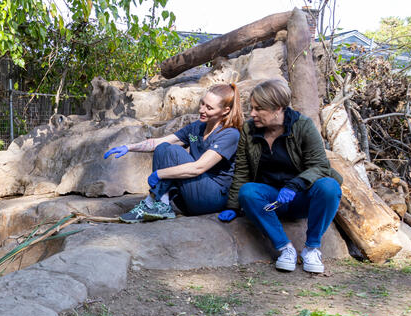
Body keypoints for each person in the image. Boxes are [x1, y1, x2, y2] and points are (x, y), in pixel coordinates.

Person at [217, 78, 342, 274]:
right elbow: (242, 170)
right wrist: (233, 205)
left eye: (259, 109)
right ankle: (285, 248)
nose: (252, 114)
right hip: (272, 199)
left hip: (300, 196)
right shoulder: (249, 130)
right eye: (252, 108)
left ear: (278, 109)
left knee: (329, 187)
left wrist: (295, 185)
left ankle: (311, 249)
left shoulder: (303, 126)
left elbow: (320, 166)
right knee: (248, 191)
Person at [104, 84, 243, 222]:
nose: (201, 110)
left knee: (174, 151)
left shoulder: (230, 134)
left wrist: (159, 174)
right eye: (202, 103)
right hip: (189, 196)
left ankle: (152, 202)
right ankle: (161, 203)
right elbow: (159, 142)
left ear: (225, 111)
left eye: (209, 108)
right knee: (163, 148)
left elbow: (198, 167)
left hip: (212, 198)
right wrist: (129, 147)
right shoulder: (197, 127)